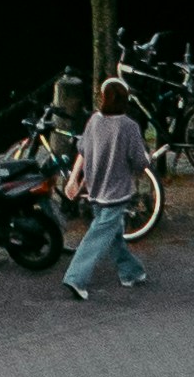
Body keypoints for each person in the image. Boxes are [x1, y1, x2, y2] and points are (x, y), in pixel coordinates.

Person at [65, 77, 152, 298]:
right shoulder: (129, 126)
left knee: (112, 235)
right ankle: (76, 278)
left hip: (95, 187)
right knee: (98, 235)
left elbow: (82, 152)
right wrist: (147, 158)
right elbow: (140, 162)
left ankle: (131, 272)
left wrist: (73, 179)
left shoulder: (94, 121)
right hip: (116, 192)